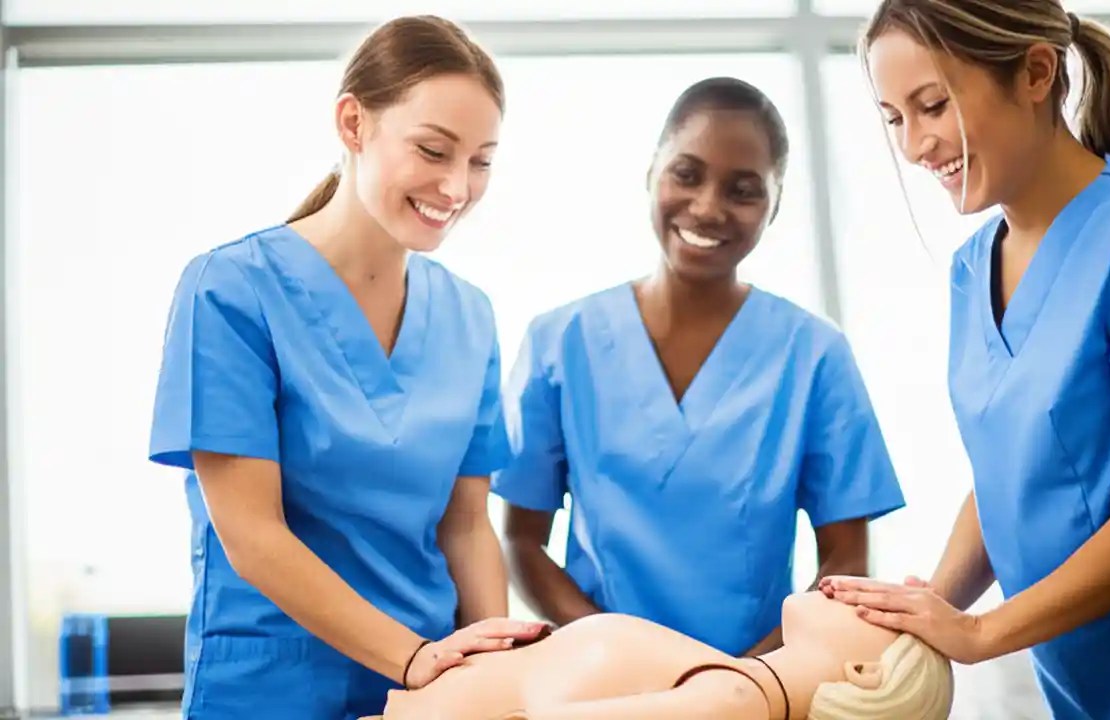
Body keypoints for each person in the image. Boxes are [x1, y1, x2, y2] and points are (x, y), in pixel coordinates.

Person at [820, 2, 1110, 718]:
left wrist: (981, 632)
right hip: (1089, 688)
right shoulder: (973, 270)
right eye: (893, 118)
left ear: (1036, 72)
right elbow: (1007, 480)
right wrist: (930, 609)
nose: (915, 145)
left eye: (932, 105)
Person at [147, 16, 546, 719]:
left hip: (435, 688)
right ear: (353, 123)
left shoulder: (468, 314)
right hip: (274, 685)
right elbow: (253, 537)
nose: (457, 186)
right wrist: (414, 659)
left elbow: (466, 524)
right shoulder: (231, 290)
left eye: (481, 161)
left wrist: (492, 670)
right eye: (433, 150)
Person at [492, 76, 906, 659]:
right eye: (686, 174)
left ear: (774, 206)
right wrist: (617, 655)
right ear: (650, 176)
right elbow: (520, 541)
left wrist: (750, 676)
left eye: (743, 190)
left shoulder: (813, 355)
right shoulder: (561, 342)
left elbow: (845, 561)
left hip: (762, 681)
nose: (708, 207)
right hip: (600, 681)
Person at [360, 590, 953, 720]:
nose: (861, 591)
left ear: (865, 674)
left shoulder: (735, 699)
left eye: (882, 615)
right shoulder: (723, 678)